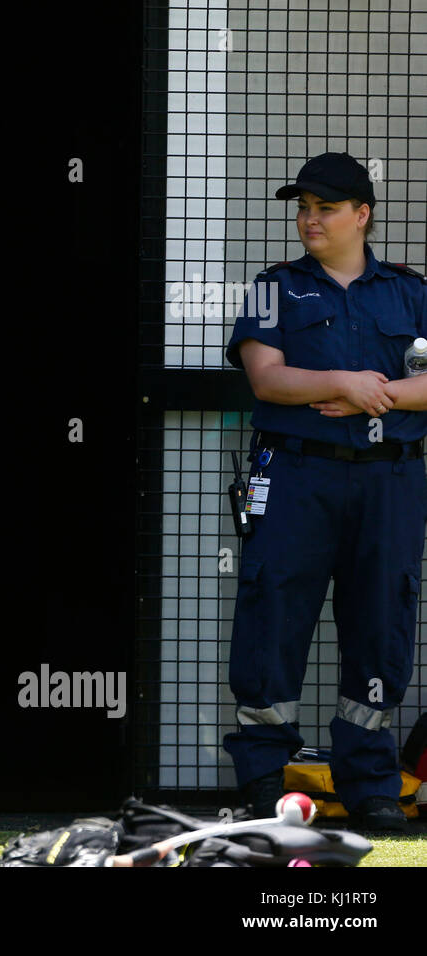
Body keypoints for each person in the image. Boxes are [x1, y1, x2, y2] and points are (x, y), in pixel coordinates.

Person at [224, 152, 427, 832]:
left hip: (390, 477)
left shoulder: (410, 291)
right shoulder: (270, 287)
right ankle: (265, 776)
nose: (310, 219)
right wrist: (343, 382)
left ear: (362, 215)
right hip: (295, 474)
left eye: (326, 207)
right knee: (274, 610)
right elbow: (267, 378)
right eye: (303, 207)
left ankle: (370, 778)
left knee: (380, 617)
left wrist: (384, 394)